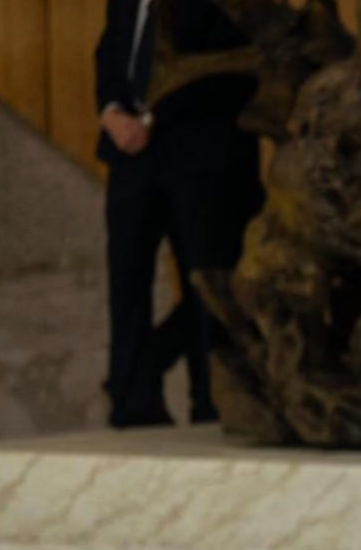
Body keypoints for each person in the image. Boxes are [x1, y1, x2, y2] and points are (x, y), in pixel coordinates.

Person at [95, 0, 264, 427]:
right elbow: (110, 53)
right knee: (126, 280)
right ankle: (132, 402)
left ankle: (210, 399)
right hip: (130, 158)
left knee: (205, 284)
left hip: (199, 155)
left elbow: (231, 65)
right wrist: (111, 112)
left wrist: (152, 116)